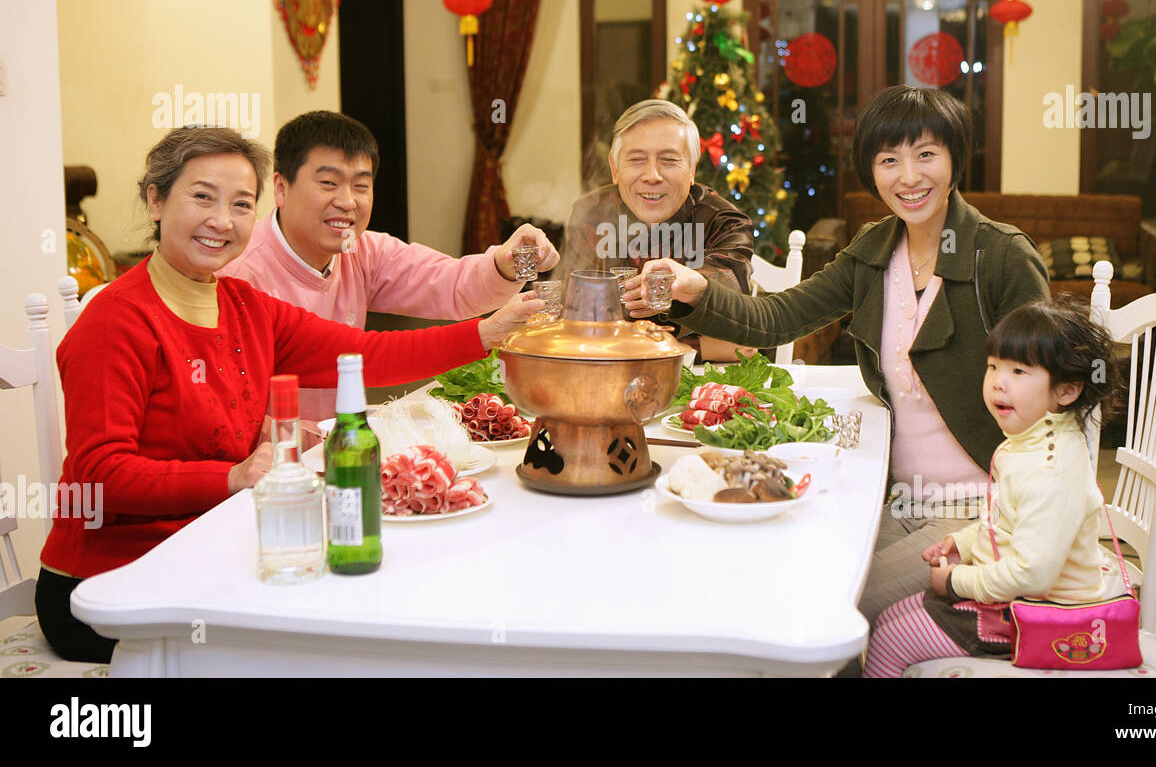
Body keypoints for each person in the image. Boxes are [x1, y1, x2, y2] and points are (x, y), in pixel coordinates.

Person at [36, 127, 541, 664]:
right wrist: (232, 477)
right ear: (155, 200)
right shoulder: (116, 319)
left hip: (214, 549)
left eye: (240, 204)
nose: (223, 221)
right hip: (113, 585)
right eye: (202, 197)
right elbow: (98, 474)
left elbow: (363, 355)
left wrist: (486, 333)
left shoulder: (244, 305)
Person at [627, 86, 1052, 634]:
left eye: (926, 154)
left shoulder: (999, 255)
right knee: (772, 570)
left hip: (987, 512)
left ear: (955, 160)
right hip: (895, 497)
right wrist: (695, 290)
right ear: (870, 171)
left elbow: (1050, 394)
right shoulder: (875, 252)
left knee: (821, 610)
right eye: (889, 159)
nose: (909, 176)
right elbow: (774, 319)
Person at [219, 111, 558, 421]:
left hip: (338, 443)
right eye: (328, 183)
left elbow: (449, 283)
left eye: (361, 186)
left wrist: (510, 262)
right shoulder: (241, 275)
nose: (348, 201)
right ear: (280, 188)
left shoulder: (361, 250)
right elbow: (235, 412)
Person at [863, 298, 1123, 677]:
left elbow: (1033, 575)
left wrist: (956, 581)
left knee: (890, 640)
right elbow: (1006, 521)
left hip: (1037, 618)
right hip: (1010, 601)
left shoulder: (1051, 472)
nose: (998, 381)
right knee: (889, 616)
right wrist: (965, 543)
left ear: (1067, 391)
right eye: (993, 366)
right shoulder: (1028, 441)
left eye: (1018, 371)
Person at [563, 99, 755, 361]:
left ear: (692, 169)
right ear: (615, 168)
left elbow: (733, 311)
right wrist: (701, 347)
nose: (652, 175)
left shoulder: (725, 222)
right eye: (637, 159)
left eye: (669, 160)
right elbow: (575, 319)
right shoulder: (592, 215)